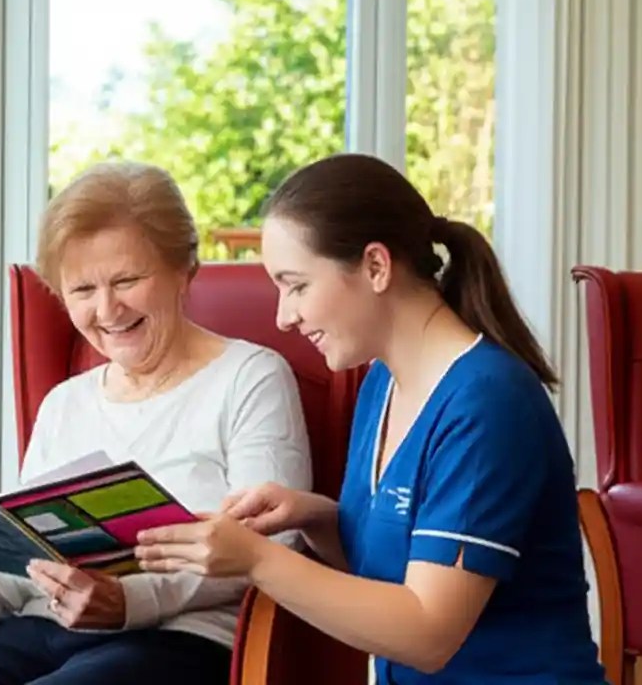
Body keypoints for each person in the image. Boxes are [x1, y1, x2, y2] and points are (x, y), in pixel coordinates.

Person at [135, 153, 606, 684]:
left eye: (296, 286)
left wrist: (257, 560)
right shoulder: (383, 383)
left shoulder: (488, 403)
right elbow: (387, 572)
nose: (283, 316)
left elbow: (428, 633)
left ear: (376, 267)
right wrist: (313, 517)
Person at [0, 161, 313, 685]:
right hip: (44, 630)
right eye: (82, 290)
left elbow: (272, 548)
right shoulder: (65, 403)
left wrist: (127, 600)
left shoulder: (249, 377)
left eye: (128, 280)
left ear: (183, 271)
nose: (108, 309)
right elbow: (24, 579)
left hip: (186, 639)